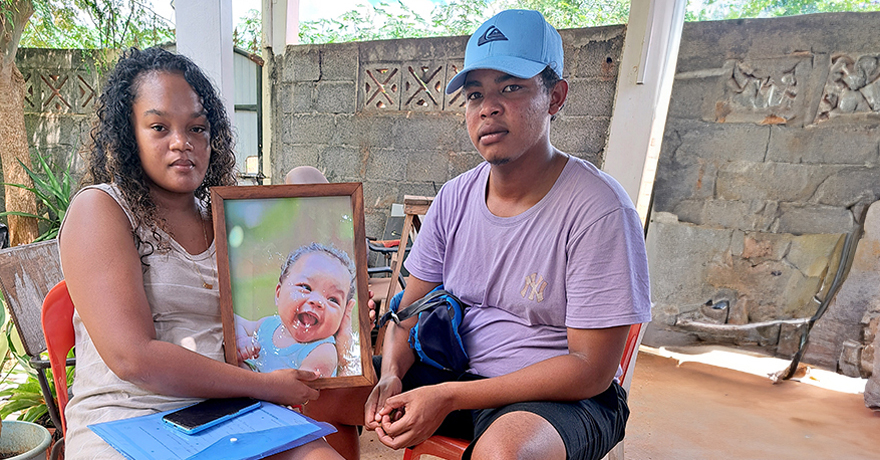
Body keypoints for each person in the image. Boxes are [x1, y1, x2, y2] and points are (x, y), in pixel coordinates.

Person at [307, 9, 652, 460]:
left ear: (556, 96)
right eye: (474, 94)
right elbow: (409, 310)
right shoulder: (454, 198)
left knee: (503, 455)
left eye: (511, 87)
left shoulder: (599, 210)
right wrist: (391, 370)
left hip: (555, 396)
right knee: (317, 395)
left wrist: (449, 397)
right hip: (453, 368)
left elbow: (590, 369)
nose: (488, 107)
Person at [58, 47, 343, 460]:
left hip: (230, 412)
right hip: (126, 420)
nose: (182, 143)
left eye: (197, 128)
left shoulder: (227, 217)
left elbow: (310, 191)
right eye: (159, 127)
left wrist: (347, 312)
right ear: (128, 134)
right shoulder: (101, 209)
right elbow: (132, 357)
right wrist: (264, 386)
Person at [236, 243, 357, 378]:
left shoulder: (323, 352)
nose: (317, 301)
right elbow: (234, 321)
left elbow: (295, 392)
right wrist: (241, 339)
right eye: (306, 287)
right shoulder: (269, 325)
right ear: (278, 294)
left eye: (333, 299)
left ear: (343, 316)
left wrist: (243, 371)